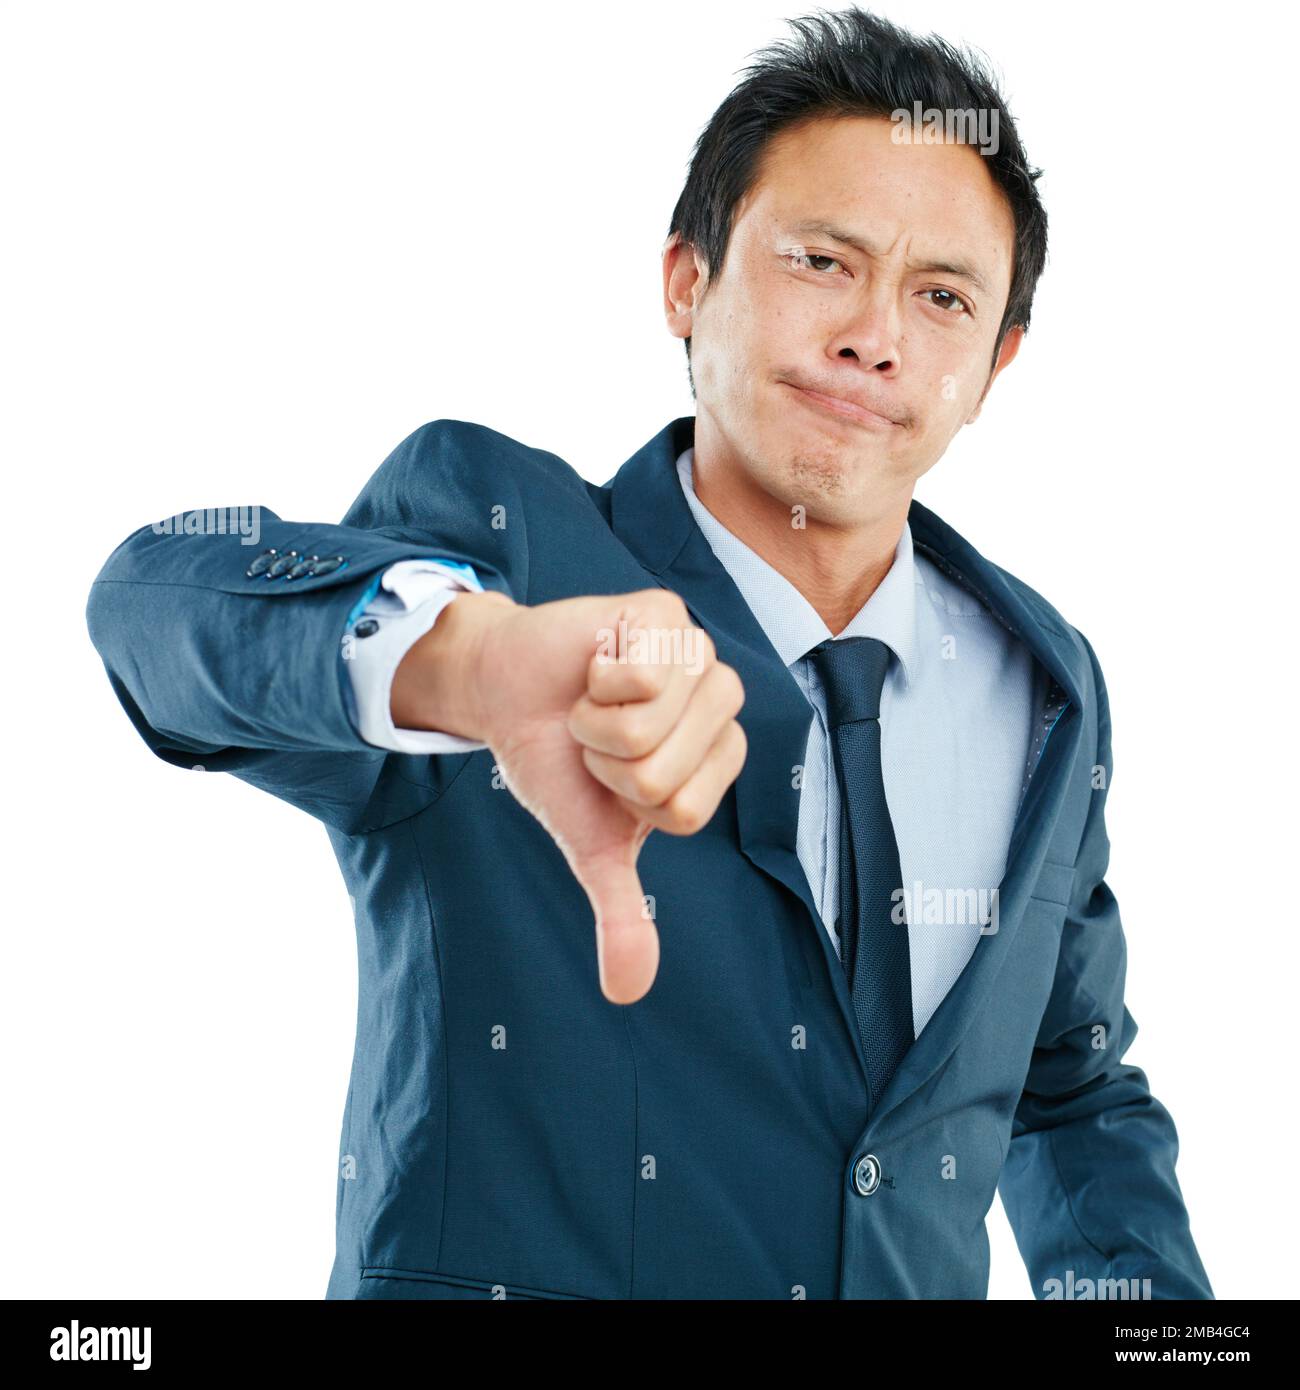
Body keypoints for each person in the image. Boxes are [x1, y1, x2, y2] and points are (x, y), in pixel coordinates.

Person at [86, 7, 1213, 1299]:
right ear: (688, 279)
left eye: (943, 297)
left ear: (998, 361)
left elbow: (1067, 1085)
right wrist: (463, 661)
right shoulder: (506, 550)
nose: (875, 335)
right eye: (822, 260)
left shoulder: (1046, 676)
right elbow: (157, 607)